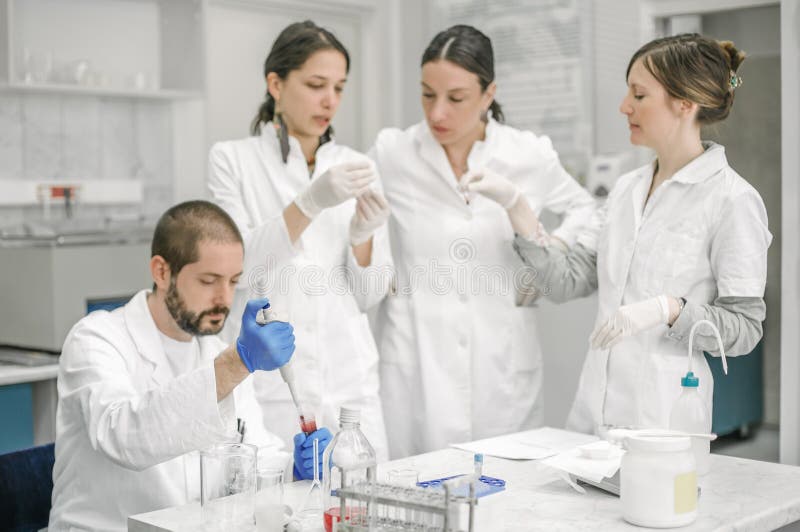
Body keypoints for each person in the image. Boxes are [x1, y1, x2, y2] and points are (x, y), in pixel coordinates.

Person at [509, 34, 771, 433]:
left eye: (639, 95)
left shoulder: (732, 200)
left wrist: (669, 309)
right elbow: (568, 282)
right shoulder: (626, 190)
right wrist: (521, 215)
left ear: (685, 103)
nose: (624, 106)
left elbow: (744, 329)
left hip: (665, 422)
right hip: (592, 416)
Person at [370, 25, 596, 458]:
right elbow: (350, 217)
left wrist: (550, 253)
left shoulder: (526, 154)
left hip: (501, 360)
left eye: (455, 99)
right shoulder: (393, 152)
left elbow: (587, 209)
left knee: (504, 494)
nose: (437, 113)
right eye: (426, 94)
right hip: (417, 360)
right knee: (417, 500)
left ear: (488, 94)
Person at [48, 201, 331, 532]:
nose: (224, 299)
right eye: (209, 281)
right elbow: (125, 437)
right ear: (162, 271)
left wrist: (293, 470)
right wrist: (238, 363)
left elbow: (248, 462)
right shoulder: (96, 340)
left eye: (233, 281)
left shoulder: (217, 352)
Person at [208, 21, 392, 461]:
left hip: (349, 376)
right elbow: (241, 270)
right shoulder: (232, 160)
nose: (329, 100)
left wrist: (363, 239)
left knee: (362, 512)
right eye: (315, 84)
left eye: (339, 87)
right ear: (276, 83)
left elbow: (368, 296)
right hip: (271, 381)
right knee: (273, 510)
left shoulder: (356, 165)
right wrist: (309, 203)